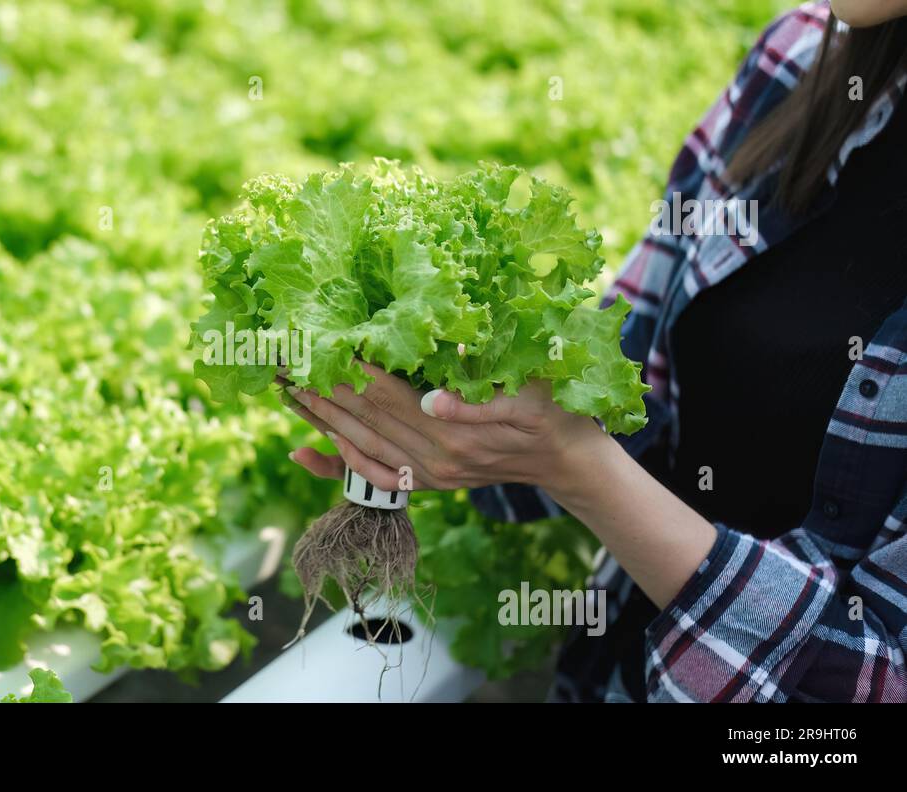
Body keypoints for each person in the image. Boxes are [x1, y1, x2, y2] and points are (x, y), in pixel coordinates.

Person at [281, 0, 907, 702]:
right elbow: (624, 379)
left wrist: (582, 471)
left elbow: (874, 681)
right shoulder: (802, 55)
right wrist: (445, 420)